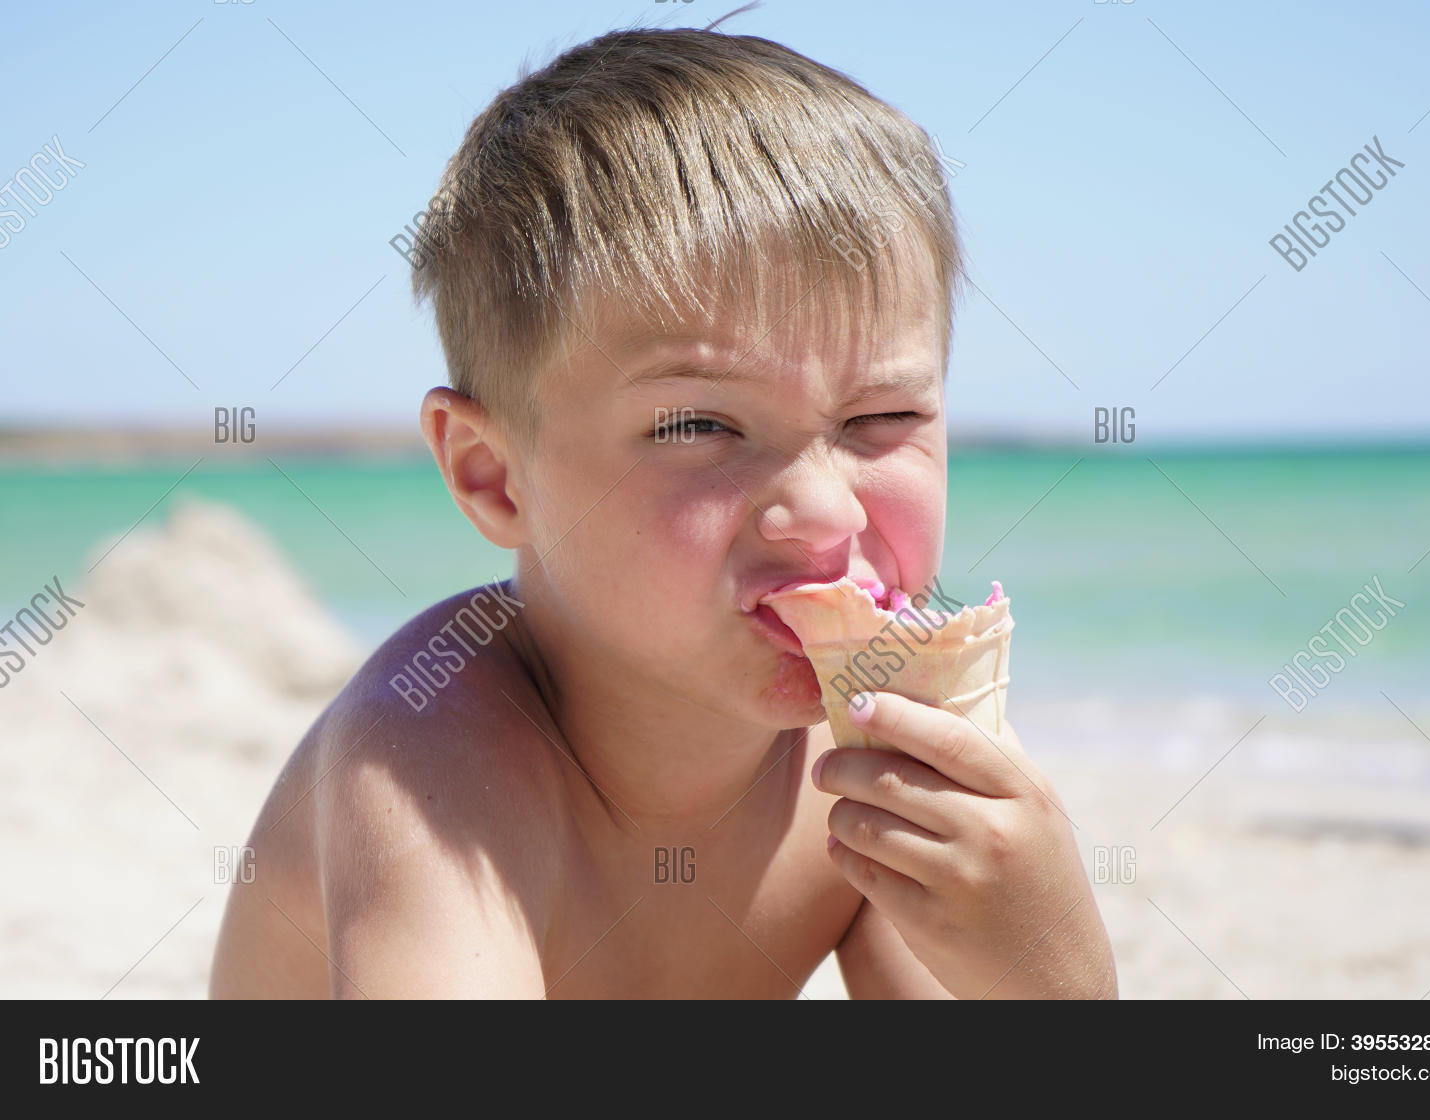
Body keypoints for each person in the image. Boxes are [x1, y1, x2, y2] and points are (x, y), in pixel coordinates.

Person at [210, 19, 1116, 999]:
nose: (822, 513)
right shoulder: (429, 763)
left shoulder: (877, 760)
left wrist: (1049, 964)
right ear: (493, 476)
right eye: (697, 425)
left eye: (883, 415)